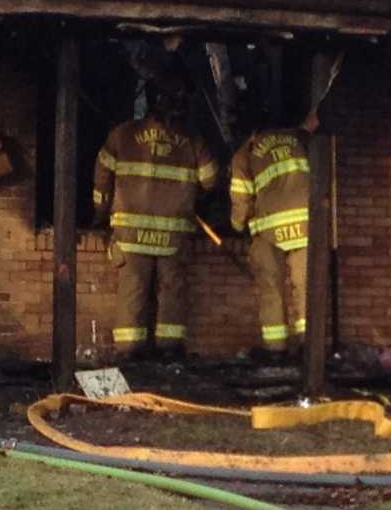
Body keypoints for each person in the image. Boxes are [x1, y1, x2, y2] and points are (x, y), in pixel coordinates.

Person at [93, 75, 218, 362]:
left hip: (130, 233)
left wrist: (100, 211)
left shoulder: (121, 135)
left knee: (132, 289)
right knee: (171, 290)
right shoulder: (191, 141)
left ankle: (129, 351)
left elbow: (101, 176)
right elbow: (211, 180)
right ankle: (168, 350)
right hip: (173, 235)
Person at [230, 106, 316, 363]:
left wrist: (236, 227)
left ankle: (276, 350)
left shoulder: (244, 153)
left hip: (269, 231)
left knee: (272, 289)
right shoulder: (299, 139)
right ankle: (307, 347)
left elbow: (241, 200)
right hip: (306, 225)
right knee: (305, 288)